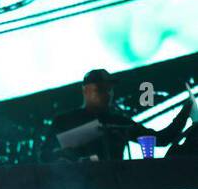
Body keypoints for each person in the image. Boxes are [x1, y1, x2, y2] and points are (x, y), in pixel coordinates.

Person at [46, 69, 193, 162]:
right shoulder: (64, 121)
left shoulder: (119, 122)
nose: (107, 94)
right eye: (100, 89)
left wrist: (186, 111)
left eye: (109, 89)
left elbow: (161, 139)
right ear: (85, 91)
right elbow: (44, 156)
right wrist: (68, 157)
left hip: (114, 187)